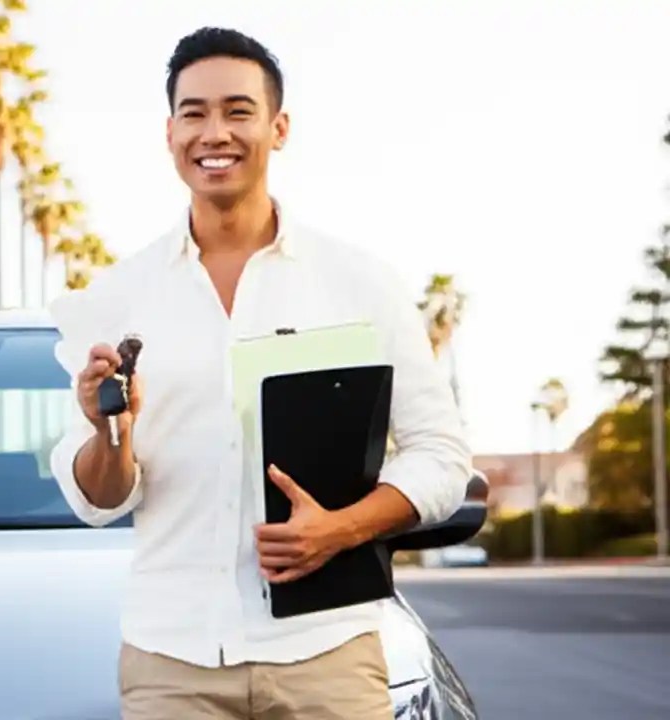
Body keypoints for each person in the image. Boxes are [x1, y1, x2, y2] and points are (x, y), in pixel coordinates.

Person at [47, 26, 473, 720]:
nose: (215, 131)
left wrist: (344, 527)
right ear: (169, 133)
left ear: (278, 128)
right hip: (171, 663)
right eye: (195, 113)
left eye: (238, 111)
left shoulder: (360, 283)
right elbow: (100, 498)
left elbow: (443, 455)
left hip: (328, 655)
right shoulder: (117, 300)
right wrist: (111, 433)